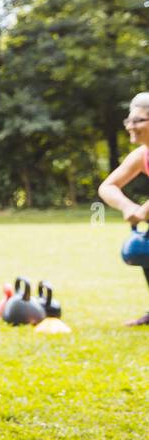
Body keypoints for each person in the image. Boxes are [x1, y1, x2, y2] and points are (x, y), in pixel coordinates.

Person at [98, 92, 149, 325]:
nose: (131, 126)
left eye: (138, 120)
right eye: (129, 120)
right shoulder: (141, 155)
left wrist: (144, 210)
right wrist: (128, 207)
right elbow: (107, 186)